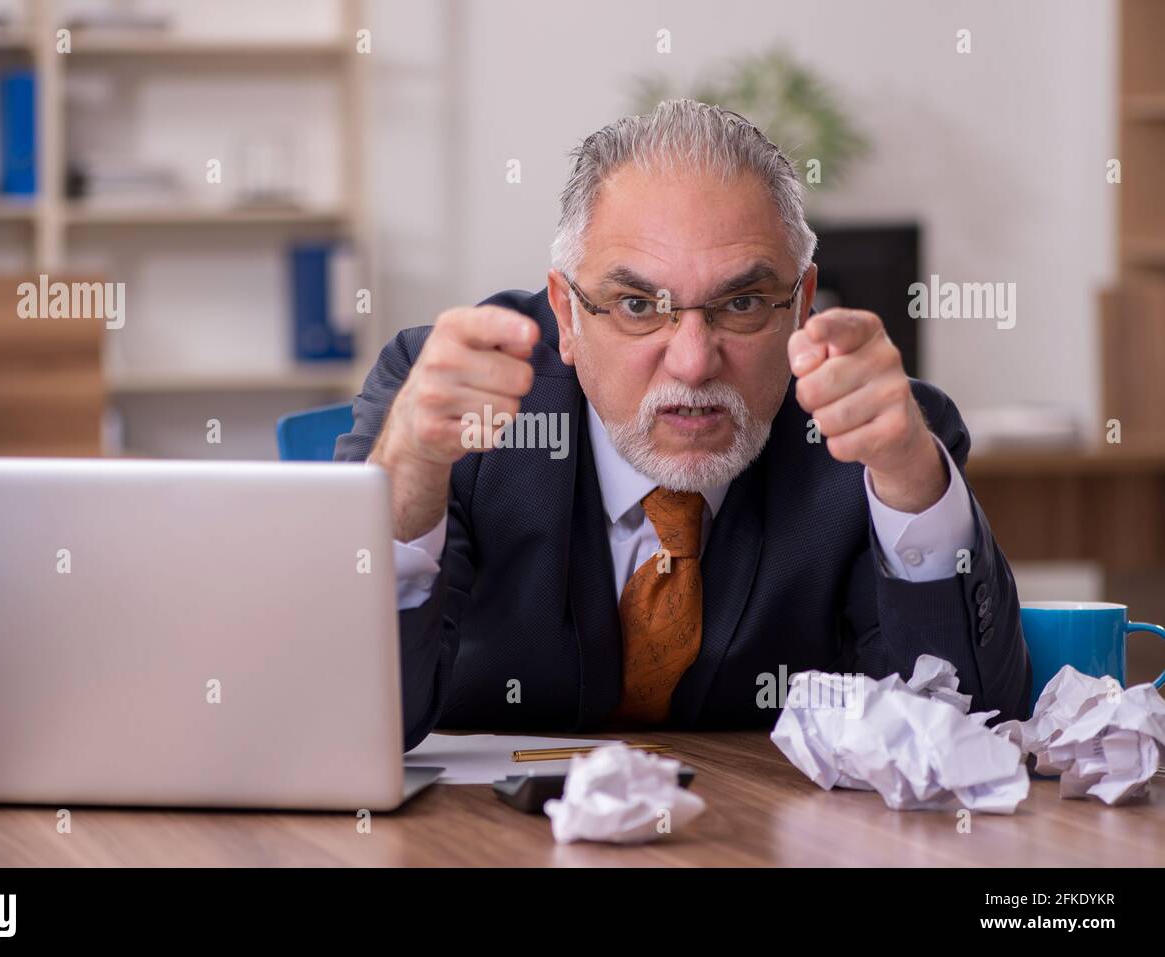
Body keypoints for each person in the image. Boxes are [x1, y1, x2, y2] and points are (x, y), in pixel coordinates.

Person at [336, 99, 1030, 751]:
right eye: (638, 304)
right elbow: (349, 720)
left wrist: (910, 478)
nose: (695, 363)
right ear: (568, 314)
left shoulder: (871, 438)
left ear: (803, 305)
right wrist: (408, 472)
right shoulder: (457, 402)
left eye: (744, 302)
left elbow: (964, 729)